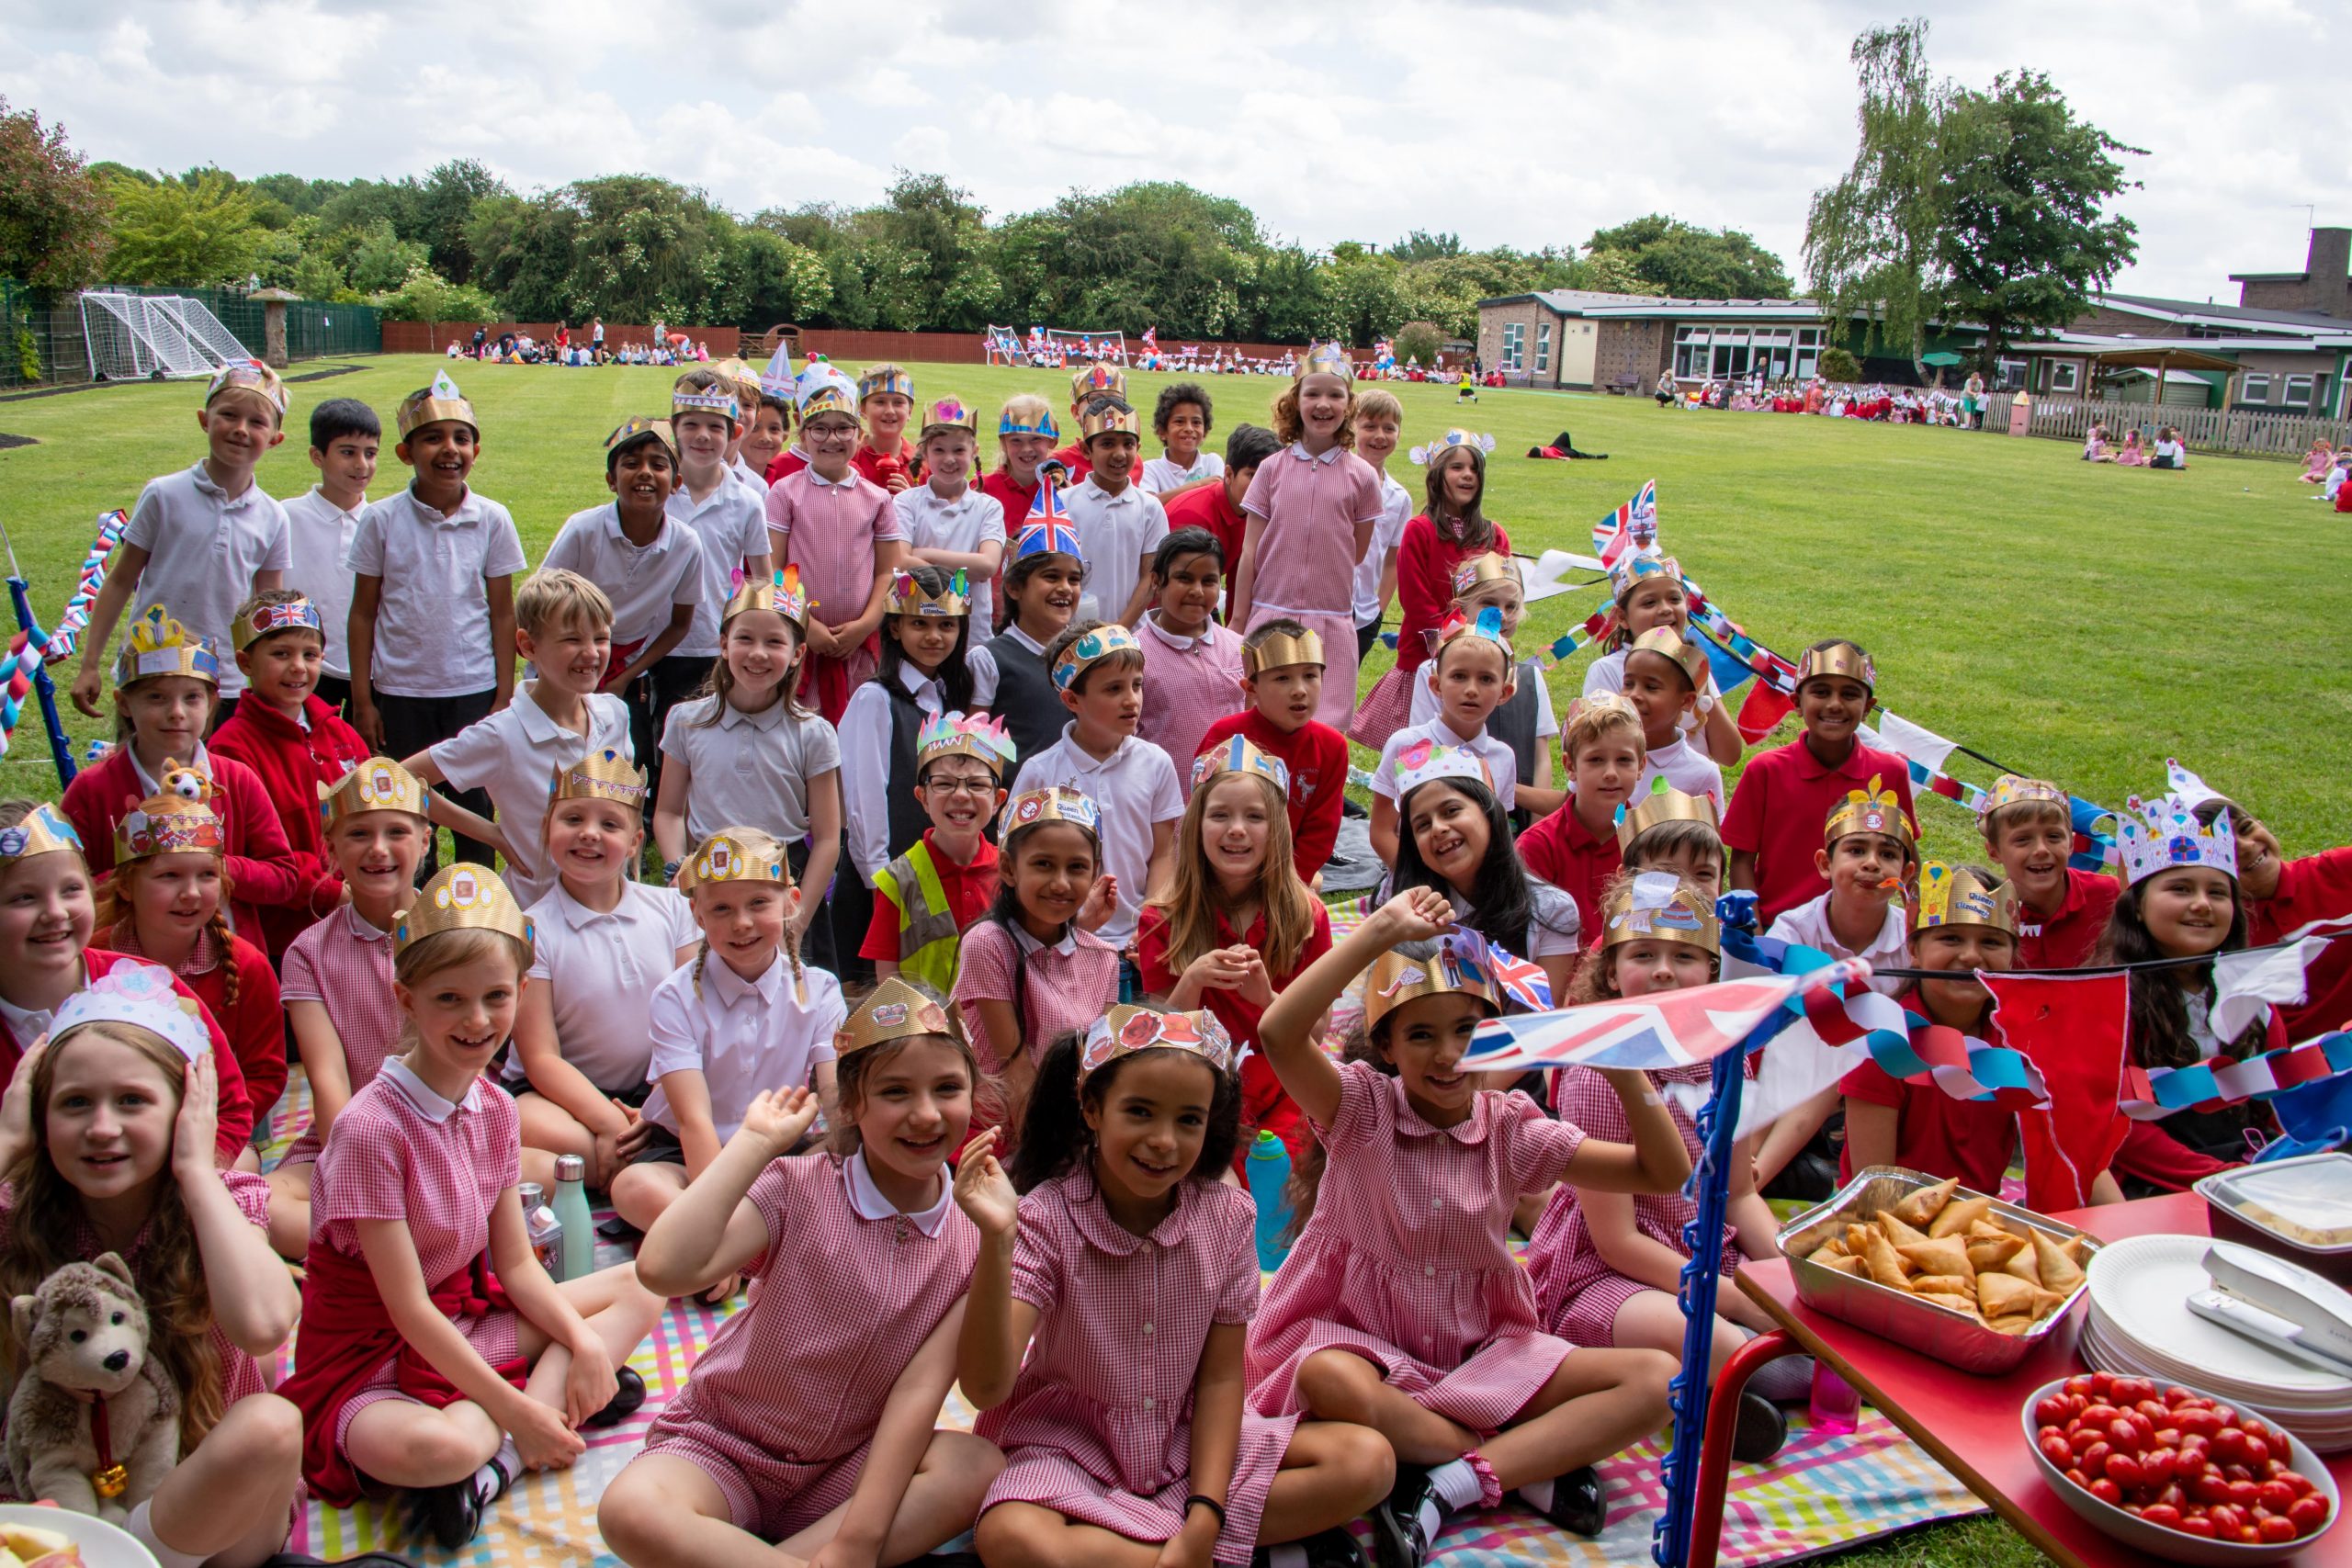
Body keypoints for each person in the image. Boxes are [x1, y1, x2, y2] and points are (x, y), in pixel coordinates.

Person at [1247, 896, 1689, 1556]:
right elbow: (1280, 1032)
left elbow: (1662, 1170)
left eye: (1467, 1030)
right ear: (1388, 1044)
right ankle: (1515, 1463)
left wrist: (1627, 1075)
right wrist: (1378, 933)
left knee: (1658, 1380)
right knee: (1327, 1378)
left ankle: (1453, 1478)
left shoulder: (1511, 1126)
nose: (1449, 1054)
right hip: (1363, 1344)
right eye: (1421, 1034)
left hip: (1480, 1350)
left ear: (1495, 1033)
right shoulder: (1360, 1106)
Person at [281, 863, 661, 1548]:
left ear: (520, 992)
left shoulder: (493, 1108)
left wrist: (578, 1340)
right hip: (370, 1361)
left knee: (644, 1282)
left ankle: (500, 1464)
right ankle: (521, 1424)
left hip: (460, 1323)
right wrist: (517, 1405)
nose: (477, 1020)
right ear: (406, 997)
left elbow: (517, 1267)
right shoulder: (372, 1128)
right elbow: (408, 1309)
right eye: (450, 998)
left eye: (495, 996)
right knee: (441, 1448)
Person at [952, 1006, 1389, 1568]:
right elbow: (986, 1389)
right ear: (1090, 1107)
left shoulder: (1229, 1216)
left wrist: (1206, 1511)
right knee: (1011, 1536)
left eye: (1189, 1119)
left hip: (1188, 1440)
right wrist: (997, 1240)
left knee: (1367, 1459)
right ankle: (1234, 1550)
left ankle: (1163, 1548)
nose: (1163, 1141)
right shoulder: (1043, 1219)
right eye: (1139, 1112)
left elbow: (1222, 1380)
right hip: (1067, 1446)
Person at [600, 984, 1001, 1568]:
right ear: (852, 1105)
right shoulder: (799, 1187)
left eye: (947, 1089)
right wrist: (754, 1148)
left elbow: (919, 1395)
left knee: (977, 1465)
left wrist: (855, 1543)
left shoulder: (974, 1230)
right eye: (895, 1092)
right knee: (631, 1510)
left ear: (974, 1093)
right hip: (723, 1450)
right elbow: (664, 1269)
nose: (925, 1114)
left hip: (846, 1469)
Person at [0, 966, 306, 1566]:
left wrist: (196, 1172)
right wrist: (7, 1142)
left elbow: (266, 1321)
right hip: (58, 1510)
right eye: (75, 1102)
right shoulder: (19, 1208)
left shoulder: (219, 1198)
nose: (102, 1127)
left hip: (204, 1509)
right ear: (39, 1117)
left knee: (271, 1422)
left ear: (183, 1111)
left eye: (133, 1100)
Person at [1525, 873, 1801, 1465]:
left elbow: (1738, 1193)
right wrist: (1738, 1304)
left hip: (1704, 1254)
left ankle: (1718, 1380)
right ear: (1610, 969)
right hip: (1603, 1276)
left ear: (1711, 970)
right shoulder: (1604, 1075)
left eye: (1684, 956)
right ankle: (1711, 1387)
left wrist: (1787, 1278)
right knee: (1733, 1344)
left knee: (1812, 1323)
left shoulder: (1728, 1064)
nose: (1664, 971)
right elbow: (1617, 1241)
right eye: (1643, 955)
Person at [609, 829, 842, 1248]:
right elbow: (694, 1122)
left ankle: (717, 1254)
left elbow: (836, 1094)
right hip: (691, 1154)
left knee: (840, 1161)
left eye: (758, 903)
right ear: (697, 916)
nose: (742, 923)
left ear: (791, 903)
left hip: (778, 1153)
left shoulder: (821, 990)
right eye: (721, 909)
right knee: (634, 1187)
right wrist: (716, 1217)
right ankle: (744, 1245)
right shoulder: (674, 998)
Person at [59, 607, 309, 944]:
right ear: (123, 704)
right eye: (156, 697)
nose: (176, 713)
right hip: (124, 964)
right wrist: (137, 874)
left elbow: (284, 877)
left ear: (211, 703)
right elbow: (68, 887)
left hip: (227, 955)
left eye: (191, 698)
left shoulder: (236, 780)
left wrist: (213, 868)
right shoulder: (92, 788)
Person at [508, 752, 696, 1192]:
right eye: (572, 818)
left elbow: (695, 1020)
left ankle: (621, 1160)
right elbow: (540, 1057)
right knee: (519, 1121)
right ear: (547, 828)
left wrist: (657, 1107)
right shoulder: (532, 929)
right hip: (561, 1097)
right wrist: (608, 1121)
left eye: (610, 825)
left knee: (703, 1111)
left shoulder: (672, 909)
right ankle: (629, 1159)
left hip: (662, 1085)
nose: (589, 833)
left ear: (634, 842)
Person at [1138, 739, 1330, 1163]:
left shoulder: (1306, 916)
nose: (1237, 829)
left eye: (1254, 816)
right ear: (1196, 826)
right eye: (1220, 815)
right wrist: (1192, 981)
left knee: (1282, 1172)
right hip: (1196, 1083)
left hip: (1285, 1080)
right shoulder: (1163, 919)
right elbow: (1156, 1039)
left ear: (1276, 830)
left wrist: (1269, 1001)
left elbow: (1317, 1034)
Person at [343, 373, 524, 824]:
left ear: (475, 452)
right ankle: (412, 889)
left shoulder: (492, 519)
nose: (450, 449)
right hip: (402, 690)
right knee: (405, 800)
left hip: (473, 688)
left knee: (475, 802)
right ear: (406, 453)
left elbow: (503, 613)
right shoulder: (381, 520)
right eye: (432, 439)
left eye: (462, 438)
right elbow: (363, 613)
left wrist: (503, 692)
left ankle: (478, 890)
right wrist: (363, 699)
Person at [268, 759, 431, 1256]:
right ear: (332, 847)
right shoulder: (309, 952)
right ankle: (407, 1238)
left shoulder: (457, 933)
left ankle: (380, 1244)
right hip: (346, 1131)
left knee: (552, 1163)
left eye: (397, 832)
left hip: (447, 1122)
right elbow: (328, 1079)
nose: (378, 850)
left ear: (425, 841)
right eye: (358, 833)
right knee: (265, 1206)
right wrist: (362, 1161)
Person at [69, 363, 291, 721]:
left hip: (225, 683)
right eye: (229, 415)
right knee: (145, 775)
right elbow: (121, 580)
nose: (240, 429)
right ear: (205, 420)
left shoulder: (273, 517)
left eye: (257, 422)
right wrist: (89, 663)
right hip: (151, 667)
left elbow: (266, 614)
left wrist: (269, 683)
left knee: (215, 777)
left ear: (276, 438)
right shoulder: (163, 495)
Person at [407, 568, 636, 905]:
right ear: (528, 646)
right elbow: (403, 778)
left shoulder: (614, 714)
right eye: (572, 639)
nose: (591, 653)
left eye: (600, 638)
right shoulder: (503, 734)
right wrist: (492, 834)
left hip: (610, 901)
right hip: (538, 908)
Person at [652, 569, 842, 971]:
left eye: (774, 642)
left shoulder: (813, 734)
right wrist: (679, 872)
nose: (758, 653)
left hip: (783, 885)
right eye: (744, 639)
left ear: (797, 654)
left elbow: (827, 837)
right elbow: (668, 811)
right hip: (711, 878)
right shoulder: (686, 722)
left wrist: (799, 916)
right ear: (723, 645)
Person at [2096, 789, 2285, 1180]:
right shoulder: (2109, 1001)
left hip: (2255, 1168)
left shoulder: (2254, 995)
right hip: (2158, 1185)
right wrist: (2218, 1175)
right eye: (2181, 889)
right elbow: (2115, 1122)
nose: (2202, 904)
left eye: (2217, 892)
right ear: (2138, 910)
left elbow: (2281, 1098)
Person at [96, 784, 285, 1134]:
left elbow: (265, 1076)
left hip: (227, 1122)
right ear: (125, 886)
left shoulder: (248, 967)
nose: (192, 893)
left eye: (207, 875)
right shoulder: (95, 960)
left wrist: (204, 1132)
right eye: (169, 876)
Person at [207, 590, 370, 960]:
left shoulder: (341, 734)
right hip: (285, 937)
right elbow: (245, 857)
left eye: (309, 655)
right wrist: (331, 892)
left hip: (359, 915)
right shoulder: (230, 752)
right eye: (281, 654)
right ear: (245, 662)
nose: (298, 667)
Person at [1228, 344, 1385, 732]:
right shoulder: (1271, 469)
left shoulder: (1362, 477)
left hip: (1330, 621)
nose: (1323, 404)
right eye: (1312, 393)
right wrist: (1239, 620)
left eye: (1335, 394)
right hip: (1271, 612)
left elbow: (1357, 551)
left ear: (1349, 404)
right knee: (1262, 724)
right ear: (1295, 399)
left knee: (1324, 729)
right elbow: (1250, 553)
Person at [543, 419, 703, 791]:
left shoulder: (685, 544)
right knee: (557, 759)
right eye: (631, 463)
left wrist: (625, 677)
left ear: (677, 482)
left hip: (627, 666)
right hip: (566, 660)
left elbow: (680, 624)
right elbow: (542, 602)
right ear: (611, 480)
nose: (645, 473)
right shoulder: (583, 530)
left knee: (622, 767)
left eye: (658, 464)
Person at [837, 566, 978, 979]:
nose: (934, 637)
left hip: (934, 874)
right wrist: (878, 880)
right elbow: (865, 799)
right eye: (920, 623)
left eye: (946, 625)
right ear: (895, 629)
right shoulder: (874, 699)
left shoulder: (950, 703)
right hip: (885, 880)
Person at [952, 786, 1119, 1129]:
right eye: (1043, 864)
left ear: (1094, 872)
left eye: (1076, 867)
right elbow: (1014, 1070)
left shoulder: (1103, 957)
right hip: (1009, 1130)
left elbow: (1100, 1066)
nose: (1060, 883)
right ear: (1009, 869)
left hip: (1082, 1127)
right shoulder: (988, 944)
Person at [1723, 639, 1915, 924]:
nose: (1834, 704)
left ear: (1867, 708)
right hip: (1780, 936)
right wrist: (1756, 935)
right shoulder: (1765, 771)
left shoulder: (1891, 771)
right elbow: (1741, 862)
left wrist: (1917, 929)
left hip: (1864, 933)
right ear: (1797, 703)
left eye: (1849, 694)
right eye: (1821, 692)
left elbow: (1909, 855)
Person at [767, 366, 909, 725]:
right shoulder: (785, 492)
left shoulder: (876, 498)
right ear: (803, 435)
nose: (833, 438)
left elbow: (887, 572)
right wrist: (805, 623)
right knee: (802, 729)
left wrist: (865, 624)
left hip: (859, 644)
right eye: (820, 428)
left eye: (844, 428)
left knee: (857, 728)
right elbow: (774, 568)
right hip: (802, 638)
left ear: (859, 435)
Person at [1383, 743, 1580, 998]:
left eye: (1451, 811)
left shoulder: (1551, 909)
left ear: (1490, 814)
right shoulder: (1405, 909)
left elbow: (1544, 1023)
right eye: (1422, 824)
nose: (1438, 828)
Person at [863, 713, 1013, 992]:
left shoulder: (1010, 873)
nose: (960, 795)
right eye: (944, 783)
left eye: (977, 785)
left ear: (998, 800)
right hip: (928, 1029)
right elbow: (887, 975)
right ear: (922, 797)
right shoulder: (897, 879)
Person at [1408, 555, 1562, 826]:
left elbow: (1541, 760)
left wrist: (1537, 828)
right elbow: (1422, 751)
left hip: (1515, 822)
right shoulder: (1430, 673)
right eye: (1489, 603)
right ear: (1461, 608)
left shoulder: (1530, 678)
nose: (1501, 614)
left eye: (1511, 606)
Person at [1194, 623, 1349, 886]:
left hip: (1289, 876)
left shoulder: (1332, 746)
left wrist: (1288, 884)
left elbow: (1321, 830)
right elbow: (1199, 813)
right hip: (1222, 871)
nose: (1300, 689)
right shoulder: (1226, 735)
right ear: (1250, 688)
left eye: (1310, 675)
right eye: (1282, 678)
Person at [1379, 433, 1510, 742]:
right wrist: (1448, 643)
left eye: (1474, 469)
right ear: (1437, 477)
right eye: (1456, 467)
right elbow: (1416, 598)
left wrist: (1485, 639)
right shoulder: (1419, 530)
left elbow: (1504, 593)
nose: (1467, 475)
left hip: (1482, 654)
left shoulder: (1494, 535)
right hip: (1427, 653)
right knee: (1421, 743)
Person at [666, 372, 775, 739]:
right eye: (691, 424)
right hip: (655, 644)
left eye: (715, 426)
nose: (702, 435)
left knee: (712, 742)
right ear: (673, 428)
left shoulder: (747, 500)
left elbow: (762, 579)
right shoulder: (657, 493)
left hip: (717, 644)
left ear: (734, 434)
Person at [1368, 609, 1520, 867]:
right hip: (1415, 886)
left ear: (1504, 692)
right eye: (1459, 676)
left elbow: (1497, 836)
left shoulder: (1502, 757)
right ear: (1436, 685)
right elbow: (1381, 831)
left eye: (1486, 679)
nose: (1471, 690)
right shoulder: (1405, 745)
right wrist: (1418, 882)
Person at [1580, 548, 1741, 767]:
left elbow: (1729, 754)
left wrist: (1700, 679)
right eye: (1649, 603)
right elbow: (1602, 750)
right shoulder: (1606, 670)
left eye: (1674, 599)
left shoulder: (1689, 663)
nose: (1665, 609)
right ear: (1622, 617)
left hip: (1694, 791)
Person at [280, 396, 379, 715]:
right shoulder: (285, 517)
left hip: (372, 673)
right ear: (317, 456)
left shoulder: (382, 521)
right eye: (348, 452)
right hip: (307, 670)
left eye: (370, 453)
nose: (361, 464)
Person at [1514, 695, 1643, 936]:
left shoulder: (1650, 840)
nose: (1611, 773)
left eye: (1624, 760)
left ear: (1642, 766)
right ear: (1570, 766)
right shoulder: (1537, 847)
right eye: (1596, 760)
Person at [969, 513, 1086, 772]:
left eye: (1074, 579)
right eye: (1052, 577)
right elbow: (975, 748)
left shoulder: (1089, 655)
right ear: (1014, 587)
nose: (1065, 588)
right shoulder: (989, 659)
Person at [1135, 529, 1247, 782]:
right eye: (1184, 579)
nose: (1197, 591)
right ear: (1156, 581)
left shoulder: (1240, 649)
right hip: (1167, 806)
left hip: (1233, 802)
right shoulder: (1134, 656)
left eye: (1208, 581)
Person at [1975, 774, 2118, 970]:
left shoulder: (2111, 895)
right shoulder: (1985, 911)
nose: (2041, 849)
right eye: (2022, 840)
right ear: (1993, 851)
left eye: (2054, 836)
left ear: (2071, 844)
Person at [899, 399, 1009, 635]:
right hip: (917, 628)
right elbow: (900, 561)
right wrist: (966, 569)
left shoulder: (988, 507)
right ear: (924, 452)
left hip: (971, 633)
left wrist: (922, 554)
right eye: (939, 450)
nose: (949, 459)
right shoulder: (906, 503)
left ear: (974, 451)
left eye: (959, 450)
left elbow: (988, 565)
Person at [1062, 398, 1167, 626]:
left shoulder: (1149, 508)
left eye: (1128, 444)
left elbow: (1149, 578)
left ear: (1137, 448)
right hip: (1071, 631)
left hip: (1129, 634)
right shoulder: (1064, 503)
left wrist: (1120, 628)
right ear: (1086, 450)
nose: (1120, 454)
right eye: (1107, 444)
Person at [1164, 424, 1283, 613]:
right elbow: (1169, 591)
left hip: (1200, 597)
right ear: (1228, 474)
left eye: (1273, 477)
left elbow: (1240, 586)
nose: (1264, 486)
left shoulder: (1253, 514)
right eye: (1253, 475)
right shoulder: (1193, 516)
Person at [1615, 626, 1724, 816]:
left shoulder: (1701, 773)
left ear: (1686, 700)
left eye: (1651, 687)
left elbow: (1710, 841)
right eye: (1629, 684)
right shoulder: (1601, 753)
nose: (1634, 695)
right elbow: (1573, 809)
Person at [1349, 391, 1412, 663]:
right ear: (1351, 428)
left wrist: (1379, 612)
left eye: (1389, 428)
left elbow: (1391, 561)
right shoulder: (1337, 479)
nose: (1380, 436)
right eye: (1369, 426)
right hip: (1323, 608)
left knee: (1344, 691)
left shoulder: (1399, 497)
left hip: (1364, 613)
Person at [1142, 381, 1224, 494]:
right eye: (1179, 422)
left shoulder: (1212, 462)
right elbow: (1150, 506)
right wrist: (1199, 485)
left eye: (1196, 422)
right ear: (1162, 431)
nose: (1189, 428)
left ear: (1205, 431)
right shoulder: (1151, 469)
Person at [853, 364, 921, 493]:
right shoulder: (850, 457)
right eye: (880, 402)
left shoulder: (923, 464)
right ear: (862, 409)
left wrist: (911, 499)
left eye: (898, 402)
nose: (890, 410)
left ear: (910, 411)